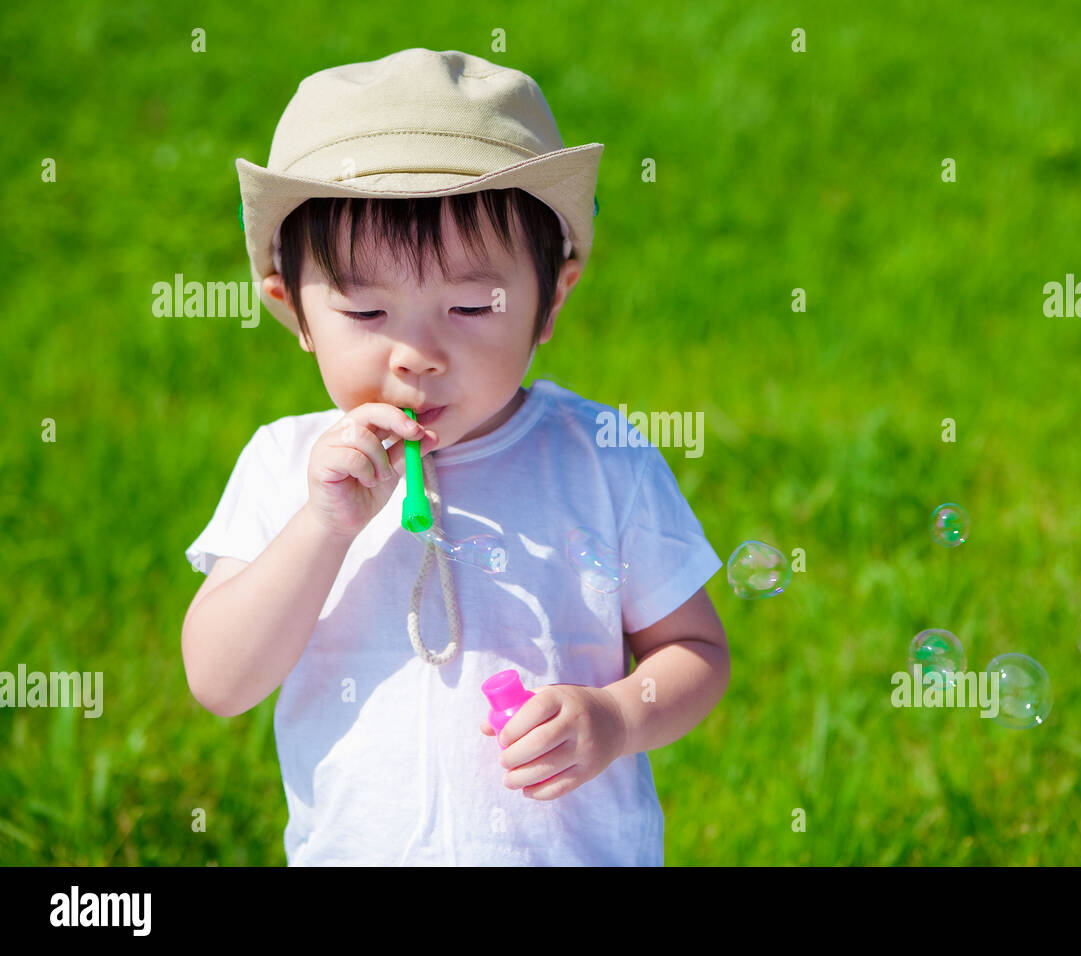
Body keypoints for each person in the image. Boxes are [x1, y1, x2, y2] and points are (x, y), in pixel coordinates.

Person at [181, 48, 728, 866]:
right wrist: (322, 528)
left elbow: (698, 653)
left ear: (553, 300)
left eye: (473, 305)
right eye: (366, 310)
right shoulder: (284, 464)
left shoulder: (599, 459)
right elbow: (220, 682)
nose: (417, 353)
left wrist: (617, 718)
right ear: (290, 309)